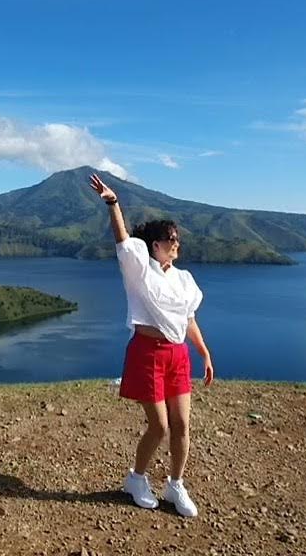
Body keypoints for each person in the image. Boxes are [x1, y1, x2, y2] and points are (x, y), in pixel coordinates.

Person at [88, 172, 214, 518]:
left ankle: (176, 484)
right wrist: (113, 204)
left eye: (177, 239)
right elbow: (123, 240)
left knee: (182, 425)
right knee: (159, 426)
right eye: (171, 239)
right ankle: (136, 479)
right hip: (147, 353)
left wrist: (203, 353)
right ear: (155, 245)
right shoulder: (140, 270)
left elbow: (188, 320)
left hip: (177, 354)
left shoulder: (184, 279)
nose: (177, 244)